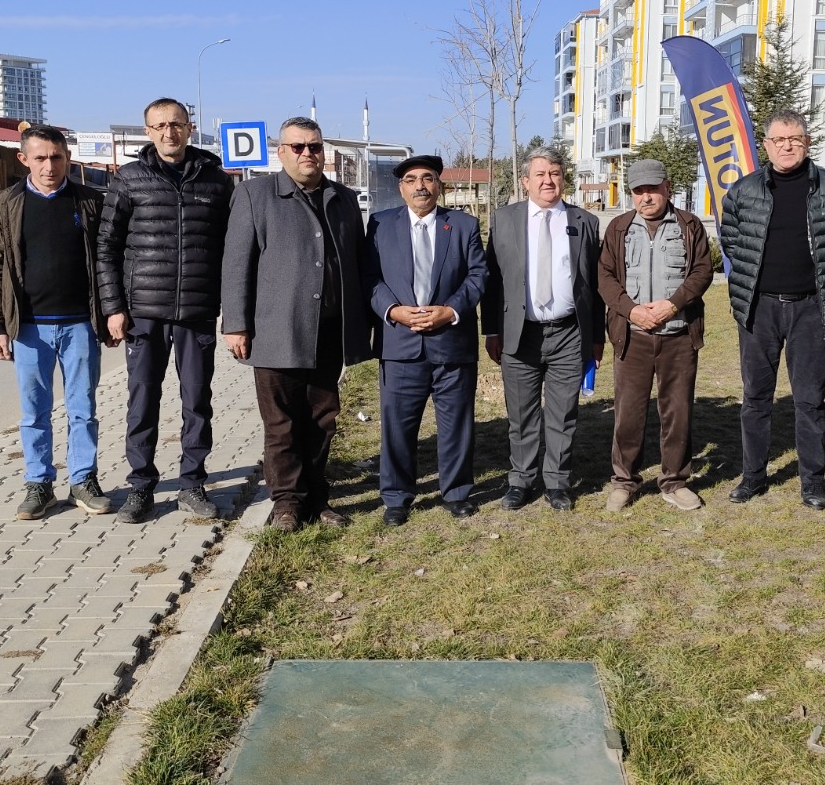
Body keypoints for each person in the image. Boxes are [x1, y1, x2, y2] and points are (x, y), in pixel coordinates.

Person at [221, 117, 370, 531]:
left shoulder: (342, 198)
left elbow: (356, 263)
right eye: (298, 146)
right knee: (282, 423)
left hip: (329, 331)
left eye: (315, 146)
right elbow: (236, 263)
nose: (308, 154)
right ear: (281, 152)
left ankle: (318, 499)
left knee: (322, 419)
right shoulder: (255, 195)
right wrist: (235, 323)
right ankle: (287, 503)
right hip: (276, 331)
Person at [96, 98, 233, 523]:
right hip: (143, 313)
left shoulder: (217, 181)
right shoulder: (129, 179)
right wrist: (113, 307)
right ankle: (141, 487)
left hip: (197, 311)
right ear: (148, 132)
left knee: (197, 401)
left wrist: (234, 311)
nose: (168, 132)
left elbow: (233, 249)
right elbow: (106, 247)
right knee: (142, 402)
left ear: (190, 128)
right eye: (160, 126)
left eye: (176, 124)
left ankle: (192, 484)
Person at [718, 110, 825, 509]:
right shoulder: (743, 191)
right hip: (759, 308)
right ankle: (753, 477)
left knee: (809, 400)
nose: (787, 146)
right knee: (755, 397)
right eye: (779, 140)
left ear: (807, 142)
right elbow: (733, 243)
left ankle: (812, 482)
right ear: (766, 145)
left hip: (811, 308)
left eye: (795, 138)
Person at [0, 125, 112, 519]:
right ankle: (39, 484)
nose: (49, 166)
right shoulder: (7, 203)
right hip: (29, 328)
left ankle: (83, 481)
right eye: (40, 158)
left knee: (83, 408)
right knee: (34, 412)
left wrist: (110, 314)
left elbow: (108, 261)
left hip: (80, 325)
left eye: (56, 157)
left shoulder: (89, 201)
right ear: (24, 159)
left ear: (67, 158)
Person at [361, 155, 487, 526]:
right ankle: (397, 497)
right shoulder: (380, 224)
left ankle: (456, 492)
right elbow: (369, 277)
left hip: (451, 342)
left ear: (439, 186)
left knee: (457, 424)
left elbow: (478, 275)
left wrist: (451, 310)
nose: (420, 186)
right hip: (400, 344)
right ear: (401, 188)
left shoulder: (463, 225)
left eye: (428, 178)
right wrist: (393, 310)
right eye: (412, 180)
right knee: (397, 427)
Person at [482, 149, 604, 511]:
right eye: (540, 174)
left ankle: (557, 482)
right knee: (522, 415)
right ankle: (520, 480)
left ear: (563, 178)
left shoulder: (585, 221)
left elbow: (595, 287)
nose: (548, 180)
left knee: (563, 414)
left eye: (555, 173)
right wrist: (492, 331)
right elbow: (492, 281)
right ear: (525, 181)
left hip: (569, 334)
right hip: (520, 334)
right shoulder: (504, 219)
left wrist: (596, 337)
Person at [597, 158, 714, 512]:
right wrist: (630, 310)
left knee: (677, 412)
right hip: (632, 337)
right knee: (628, 413)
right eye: (638, 191)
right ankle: (624, 481)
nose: (646, 197)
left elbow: (702, 271)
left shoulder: (689, 226)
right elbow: (605, 276)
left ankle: (674, 481)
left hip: (678, 337)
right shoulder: (618, 228)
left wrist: (673, 305)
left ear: (667, 188)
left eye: (652, 189)